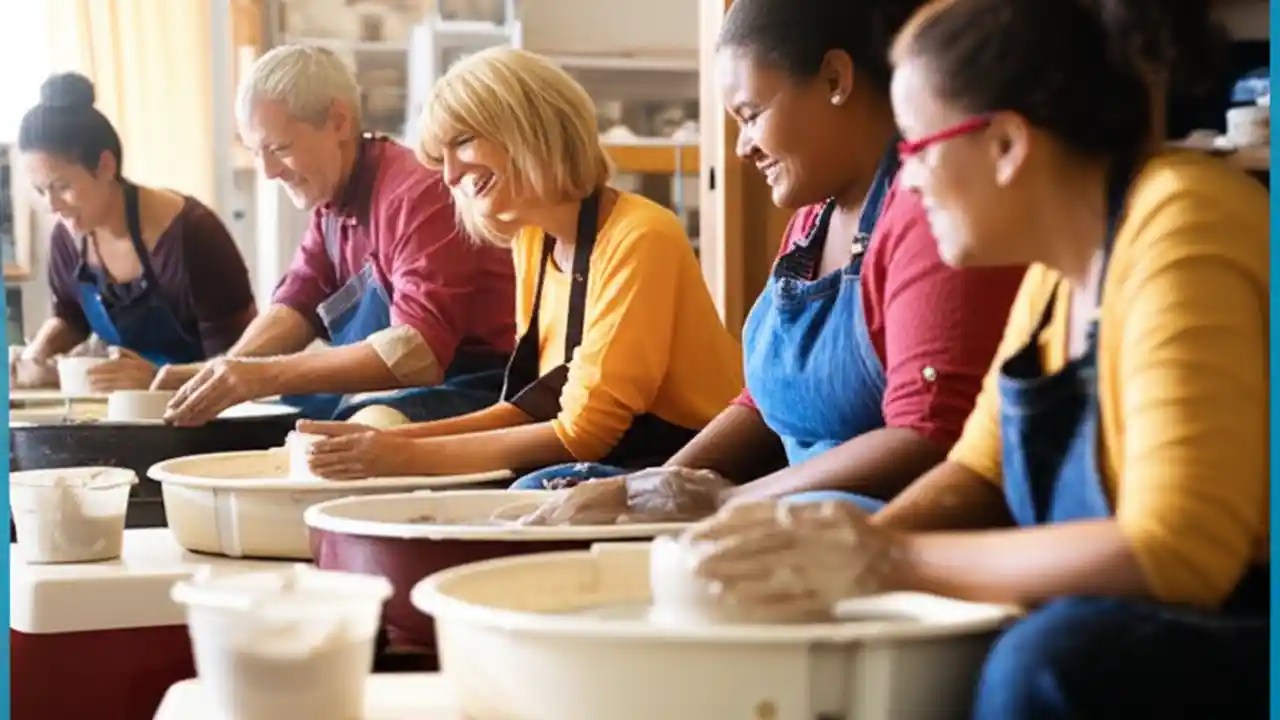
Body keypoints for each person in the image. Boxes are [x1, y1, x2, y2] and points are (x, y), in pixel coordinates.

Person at [684, 1, 1269, 718]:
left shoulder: (1184, 225)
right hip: (1147, 613)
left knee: (1050, 659)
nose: (910, 179)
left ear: (1005, 144)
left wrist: (886, 562)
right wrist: (836, 549)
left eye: (919, 146)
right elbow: (978, 470)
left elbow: (1180, 554)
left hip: (1243, 621)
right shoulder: (1057, 275)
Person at [513, 0, 1025, 510]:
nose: (742, 147)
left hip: (873, 513)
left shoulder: (930, 213)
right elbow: (765, 401)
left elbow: (927, 437)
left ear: (833, 80)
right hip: (774, 497)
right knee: (549, 489)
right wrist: (657, 484)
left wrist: (729, 500)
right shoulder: (813, 219)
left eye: (751, 116)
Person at [298, 47, 742, 480]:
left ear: (531, 128)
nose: (449, 175)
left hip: (693, 466)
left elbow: (584, 435)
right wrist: (379, 444)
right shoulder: (533, 241)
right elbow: (531, 409)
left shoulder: (642, 235)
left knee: (519, 491)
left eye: (463, 142)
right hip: (618, 456)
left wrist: (400, 458)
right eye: (440, 157)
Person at [158, 45, 516, 425]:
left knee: (348, 436)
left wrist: (260, 376)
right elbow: (298, 302)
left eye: (279, 148)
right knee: (277, 422)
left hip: (479, 385)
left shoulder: (417, 193)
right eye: (255, 151)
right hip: (402, 391)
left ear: (339, 121)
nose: (268, 172)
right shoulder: (332, 204)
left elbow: (417, 352)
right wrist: (224, 370)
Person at [10, 73, 256, 392]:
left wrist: (159, 380)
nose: (52, 205)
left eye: (62, 187)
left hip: (211, 410)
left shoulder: (192, 234)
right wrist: (37, 354)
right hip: (131, 405)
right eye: (40, 191)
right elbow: (72, 317)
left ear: (105, 166)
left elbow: (239, 361)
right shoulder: (68, 237)